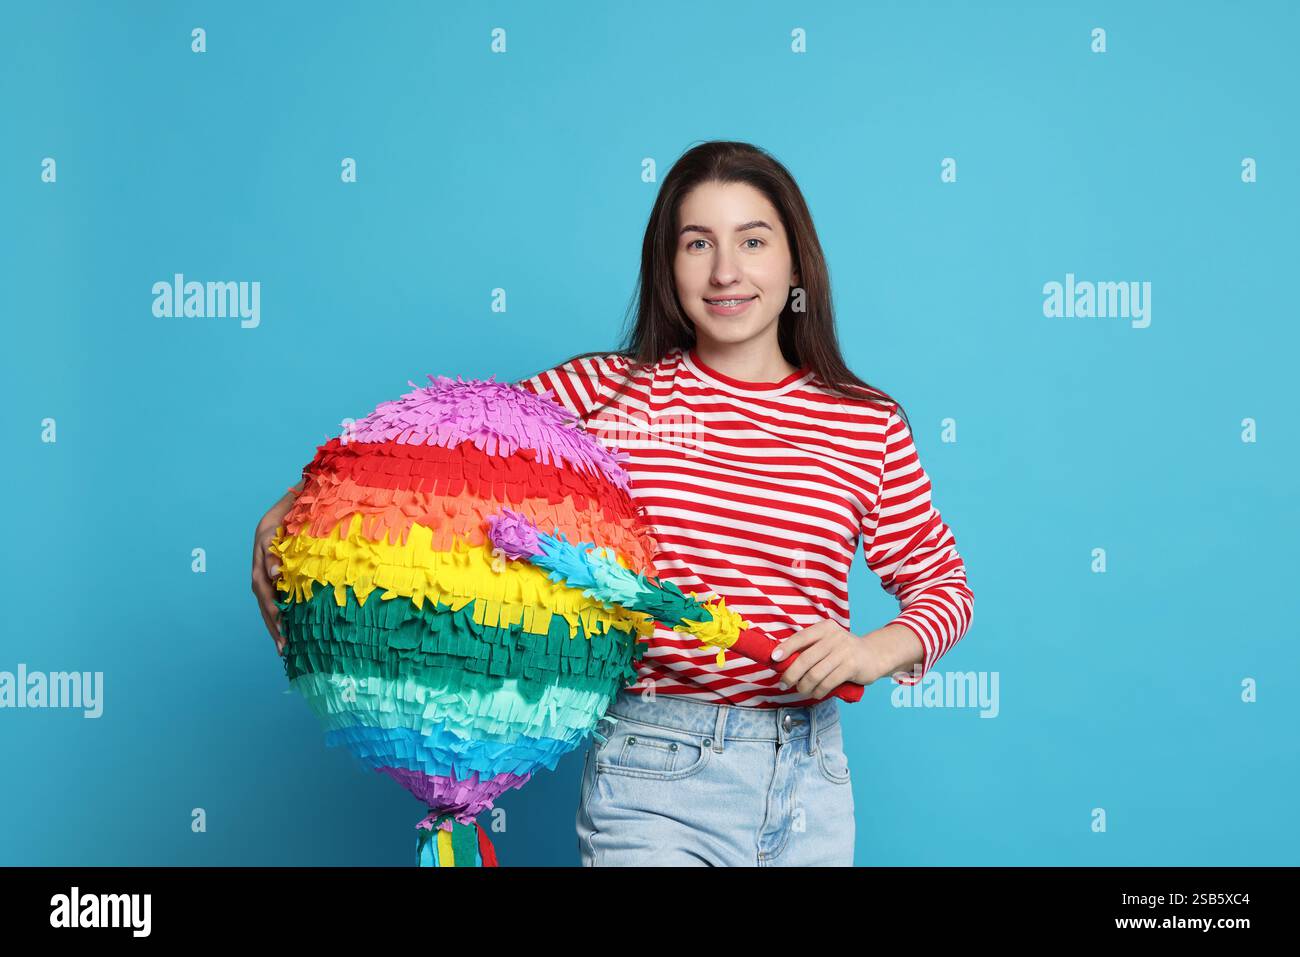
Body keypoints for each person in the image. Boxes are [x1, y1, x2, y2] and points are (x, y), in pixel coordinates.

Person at [251, 140, 974, 867]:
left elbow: (943, 584)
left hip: (812, 777)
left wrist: (870, 651)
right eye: (698, 243)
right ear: (668, 264)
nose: (726, 271)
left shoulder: (865, 423)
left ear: (795, 264)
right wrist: (301, 501)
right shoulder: (603, 393)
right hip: (655, 772)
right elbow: (444, 442)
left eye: (753, 241)